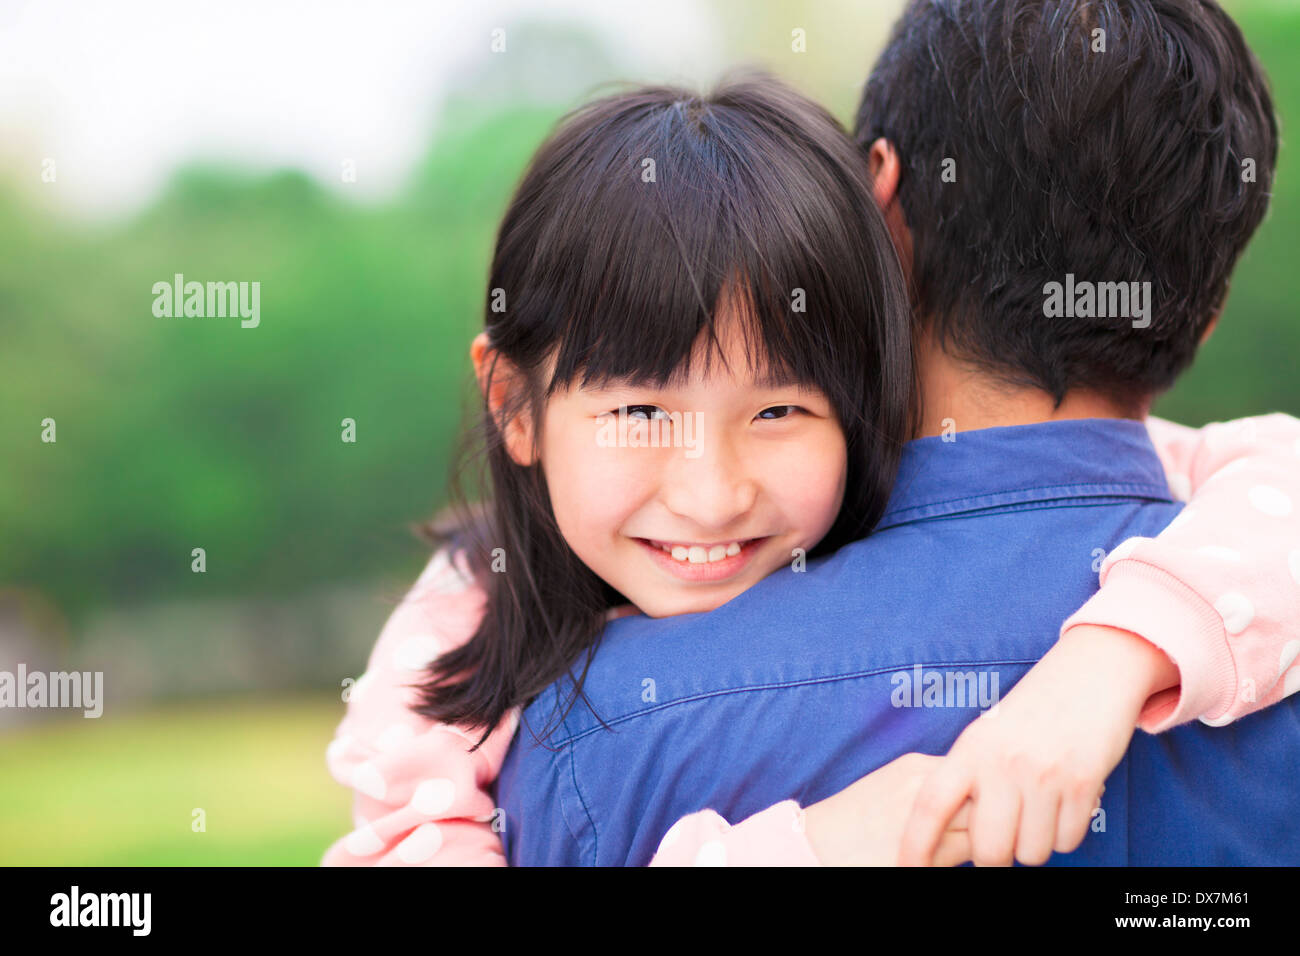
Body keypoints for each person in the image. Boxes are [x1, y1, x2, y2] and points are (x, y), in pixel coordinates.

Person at [320, 42, 1300, 867]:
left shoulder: (596, 747)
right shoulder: (454, 639)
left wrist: (1104, 667)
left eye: (780, 408)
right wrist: (814, 845)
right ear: (513, 404)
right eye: (640, 410)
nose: (712, 492)